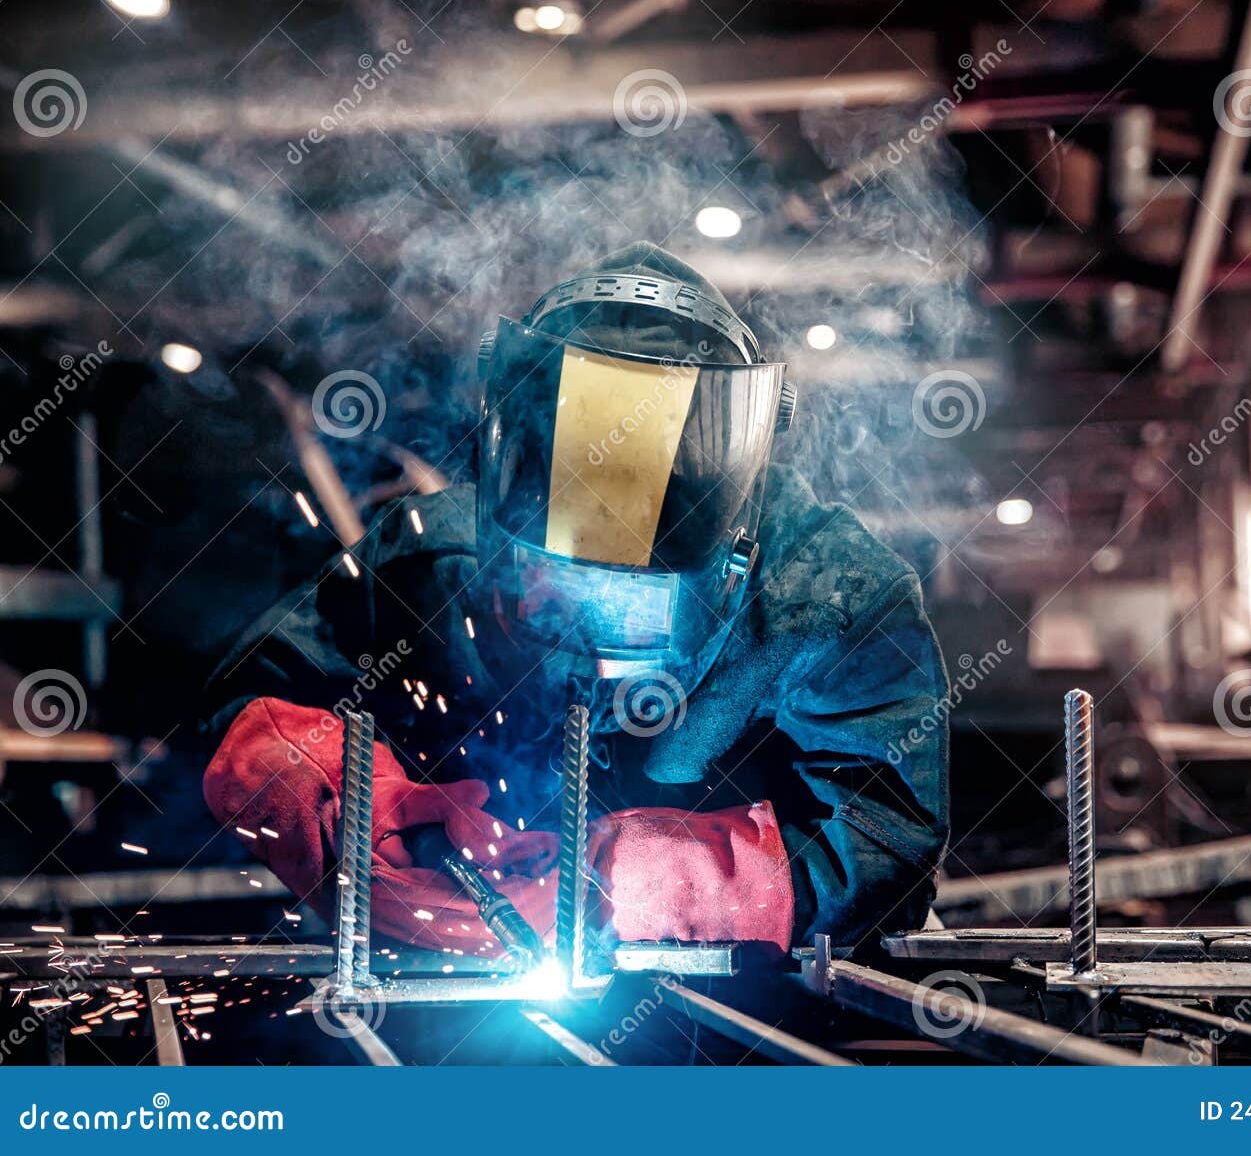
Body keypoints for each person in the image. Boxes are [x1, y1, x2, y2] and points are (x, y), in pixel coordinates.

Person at [202, 243, 949, 962]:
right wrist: (354, 819)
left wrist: (673, 884)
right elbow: (250, 709)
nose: (593, 630)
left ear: (726, 540)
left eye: (628, 598)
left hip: (744, 1012)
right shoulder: (432, 555)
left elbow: (888, 838)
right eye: (559, 586)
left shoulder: (829, 595)